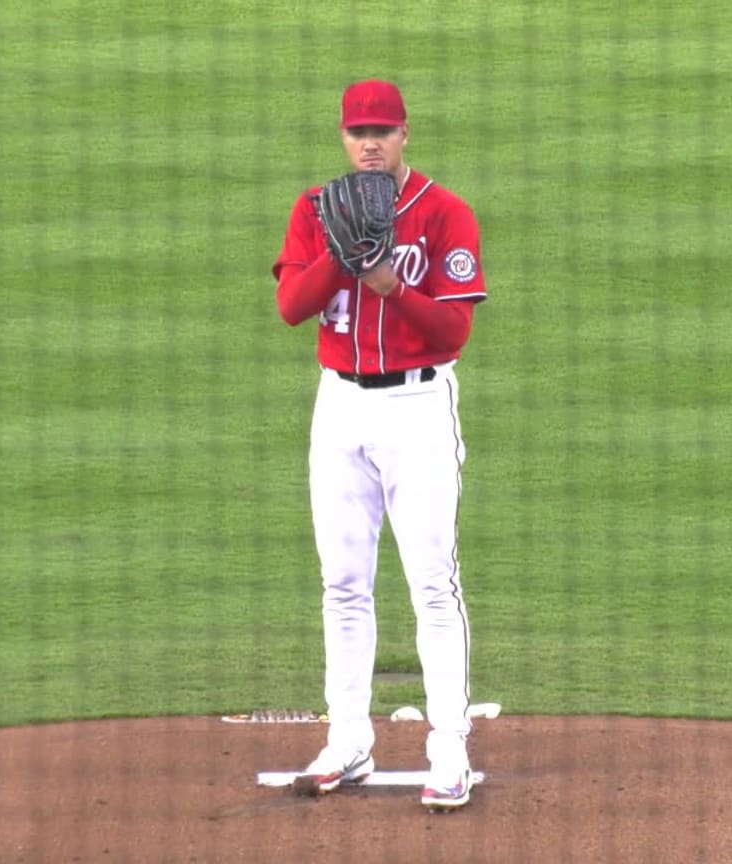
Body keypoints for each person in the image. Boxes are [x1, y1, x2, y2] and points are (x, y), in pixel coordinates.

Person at [270, 79, 488, 810]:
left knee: (433, 584)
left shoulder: (444, 212)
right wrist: (342, 254)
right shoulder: (315, 210)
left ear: (405, 135)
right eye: (358, 131)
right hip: (340, 410)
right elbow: (291, 308)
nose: (370, 142)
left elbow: (453, 332)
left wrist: (391, 284)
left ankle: (450, 752)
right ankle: (348, 741)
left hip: (419, 406)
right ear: (342, 135)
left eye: (383, 131)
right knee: (342, 582)